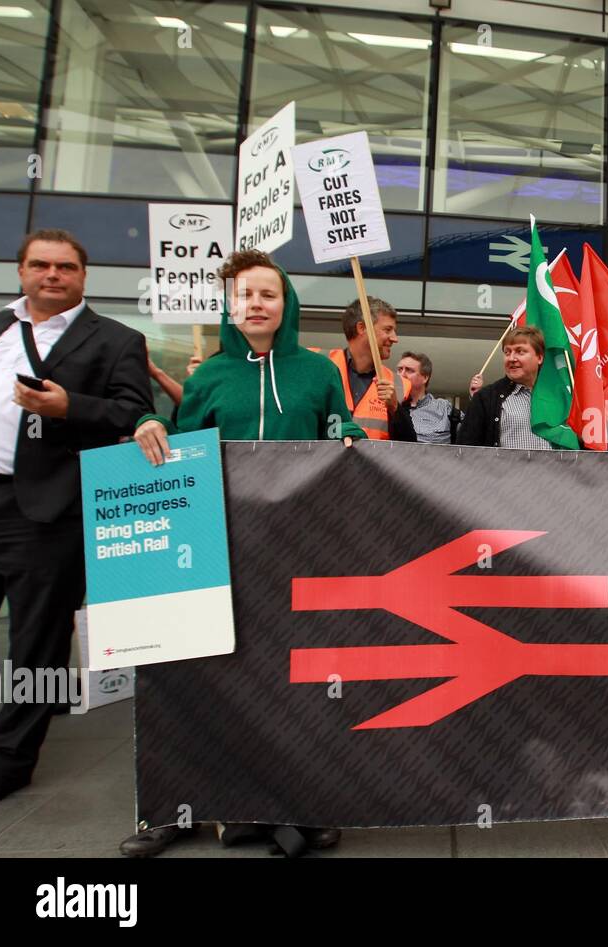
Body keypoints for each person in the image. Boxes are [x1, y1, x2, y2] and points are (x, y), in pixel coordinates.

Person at [124, 249, 364, 857]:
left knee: (292, 678)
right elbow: (178, 450)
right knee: (193, 675)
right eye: (244, 295)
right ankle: (177, 808)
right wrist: (150, 427)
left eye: (267, 294)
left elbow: (339, 435)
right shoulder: (206, 378)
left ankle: (298, 802)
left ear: (286, 306)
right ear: (230, 307)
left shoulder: (319, 372)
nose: (255, 304)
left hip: (295, 550)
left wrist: (357, 436)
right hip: (213, 547)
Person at [0, 229, 153, 806]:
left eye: (65, 267)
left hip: (46, 508)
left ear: (83, 276)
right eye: (40, 265)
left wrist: (68, 407)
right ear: (21, 271)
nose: (51, 275)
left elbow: (133, 413)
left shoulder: (115, 339)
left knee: (35, 641)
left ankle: (7, 759)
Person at [325, 296, 413, 442]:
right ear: (362, 328)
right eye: (387, 329)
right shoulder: (321, 366)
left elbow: (409, 445)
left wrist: (395, 409)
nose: (395, 338)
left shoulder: (399, 385)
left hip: (371, 465)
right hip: (322, 463)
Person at [456, 327, 552, 449]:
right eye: (507, 352)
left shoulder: (561, 397)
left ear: (539, 358)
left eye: (520, 351)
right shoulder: (486, 398)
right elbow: (465, 450)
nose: (511, 358)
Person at [396, 351, 459, 444]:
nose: (402, 374)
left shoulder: (444, 408)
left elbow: (471, 432)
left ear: (425, 378)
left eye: (409, 370)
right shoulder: (388, 406)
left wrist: (475, 397)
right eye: (400, 369)